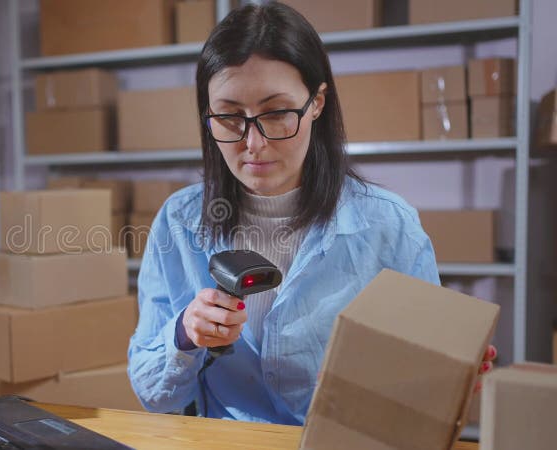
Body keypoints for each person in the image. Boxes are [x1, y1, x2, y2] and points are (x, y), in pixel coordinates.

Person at [126, 1, 496, 425]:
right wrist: (185, 335)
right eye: (229, 117)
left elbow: (422, 395)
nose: (254, 144)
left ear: (317, 103)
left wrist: (447, 375)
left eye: (278, 113)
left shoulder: (389, 227)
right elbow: (151, 393)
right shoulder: (179, 222)